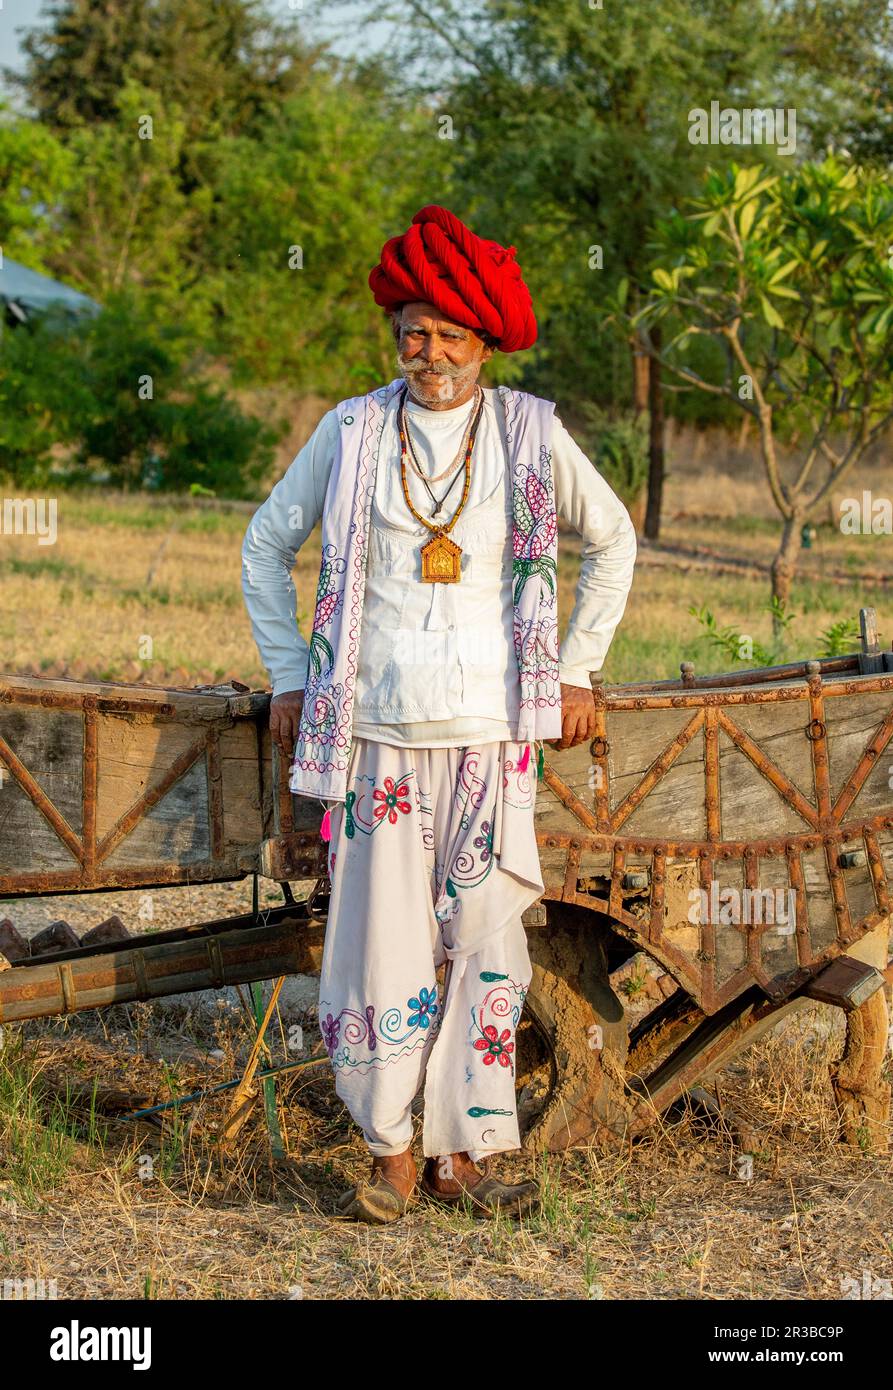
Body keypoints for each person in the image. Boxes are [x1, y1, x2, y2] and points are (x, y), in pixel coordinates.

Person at [241, 204, 637, 1223]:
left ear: (482, 344)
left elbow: (612, 539)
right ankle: (390, 1154)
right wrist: (291, 674)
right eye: (412, 333)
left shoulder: (529, 433)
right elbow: (263, 542)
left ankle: (468, 1150)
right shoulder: (352, 430)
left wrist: (578, 669)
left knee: (484, 945)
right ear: (396, 338)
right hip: (372, 736)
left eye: (449, 335)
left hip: (489, 737)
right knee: (381, 948)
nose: (428, 353)